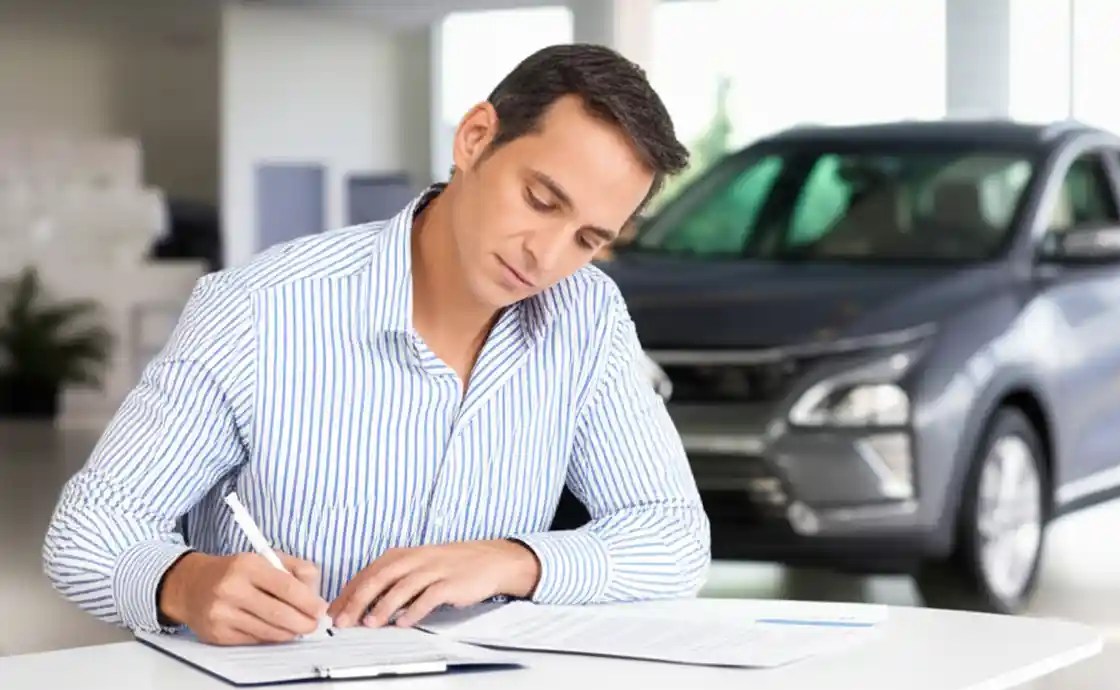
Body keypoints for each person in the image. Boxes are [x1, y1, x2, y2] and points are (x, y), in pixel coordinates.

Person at [43, 44, 709, 646]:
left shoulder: (586, 318)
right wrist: (184, 583)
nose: (547, 255)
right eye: (540, 199)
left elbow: (674, 537)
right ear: (476, 139)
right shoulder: (259, 309)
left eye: (589, 240)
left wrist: (513, 559)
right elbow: (88, 531)